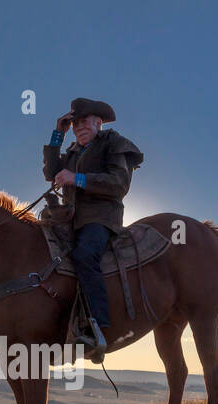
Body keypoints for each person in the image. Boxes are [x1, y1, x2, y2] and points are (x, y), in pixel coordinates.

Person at [42, 98, 143, 362]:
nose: (77, 128)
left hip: (101, 218)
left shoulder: (114, 143)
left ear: (98, 122)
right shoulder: (74, 150)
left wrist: (76, 178)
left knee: (85, 255)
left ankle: (98, 329)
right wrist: (58, 134)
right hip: (70, 219)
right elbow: (51, 171)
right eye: (74, 123)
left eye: (83, 122)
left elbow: (119, 183)